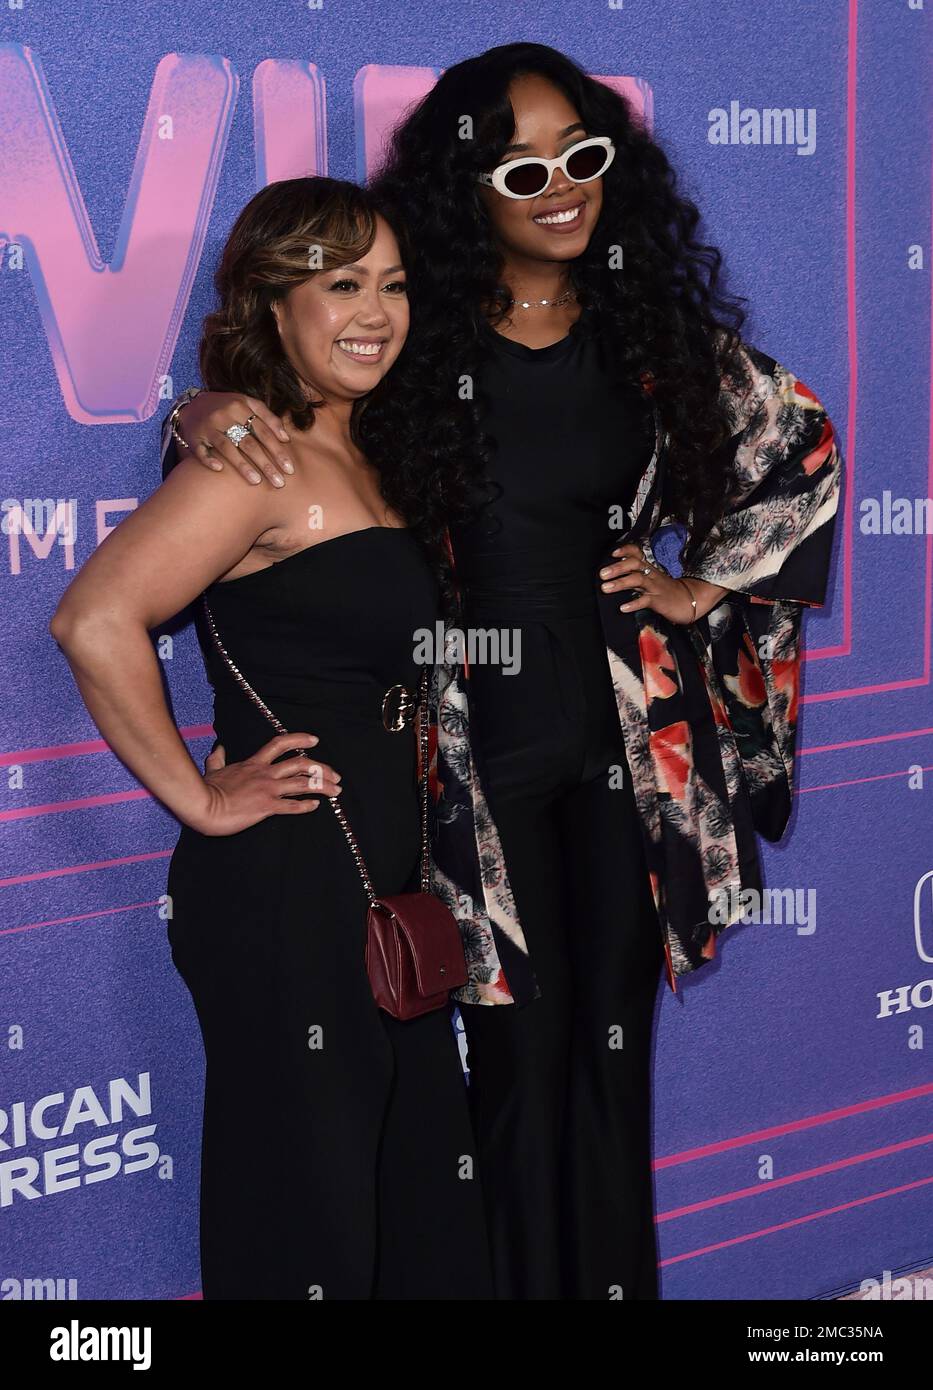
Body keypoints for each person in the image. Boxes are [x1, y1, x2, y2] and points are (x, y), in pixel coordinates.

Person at [161, 45, 843, 1301]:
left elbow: (798, 443)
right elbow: (280, 422)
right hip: (471, 744)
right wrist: (199, 412)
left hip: (630, 746)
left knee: (608, 1058)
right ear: (468, 186)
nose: (558, 188)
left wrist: (705, 589)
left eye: (581, 157)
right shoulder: (411, 336)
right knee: (518, 1067)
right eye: (520, 167)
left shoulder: (651, 335)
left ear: (612, 166)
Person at [50, 177, 494, 1301]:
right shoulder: (253, 461)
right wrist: (199, 801)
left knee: (404, 1199)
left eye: (392, 285)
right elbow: (94, 619)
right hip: (289, 883)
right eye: (342, 283)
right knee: (306, 1210)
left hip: (375, 874)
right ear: (271, 301)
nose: (376, 311)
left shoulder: (366, 449)